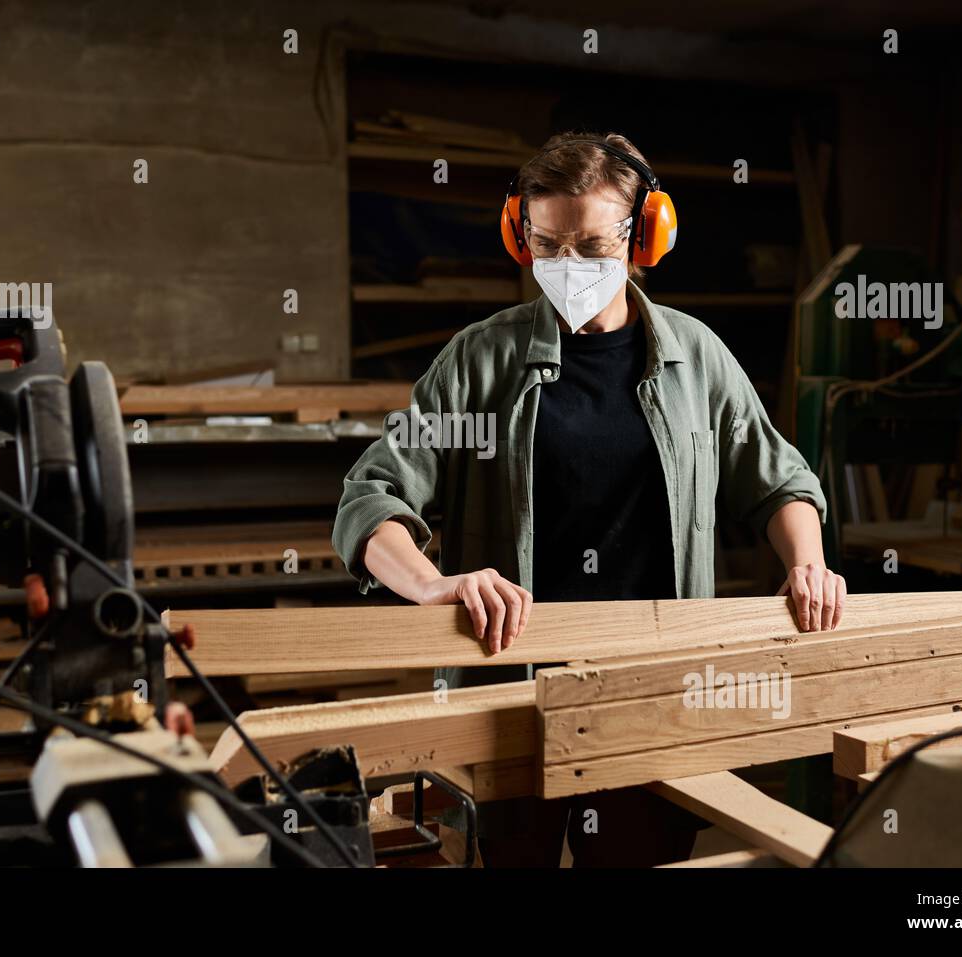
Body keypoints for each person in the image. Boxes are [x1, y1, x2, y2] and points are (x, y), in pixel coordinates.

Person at [332, 132, 844, 867]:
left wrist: (809, 563)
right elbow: (370, 497)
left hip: (655, 692)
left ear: (645, 238)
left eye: (594, 245)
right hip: (507, 691)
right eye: (547, 244)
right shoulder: (480, 362)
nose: (568, 266)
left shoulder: (696, 359)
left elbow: (779, 478)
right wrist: (434, 583)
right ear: (521, 236)